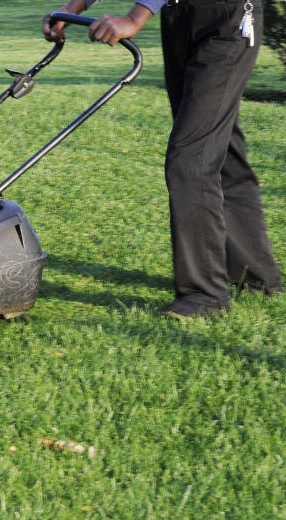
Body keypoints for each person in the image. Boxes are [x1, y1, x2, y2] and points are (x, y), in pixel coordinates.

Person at [43, 0, 282, 318]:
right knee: (220, 153)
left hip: (229, 21)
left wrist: (134, 17)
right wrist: (72, 9)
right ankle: (255, 276)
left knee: (191, 160)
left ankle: (205, 296)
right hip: (181, 19)